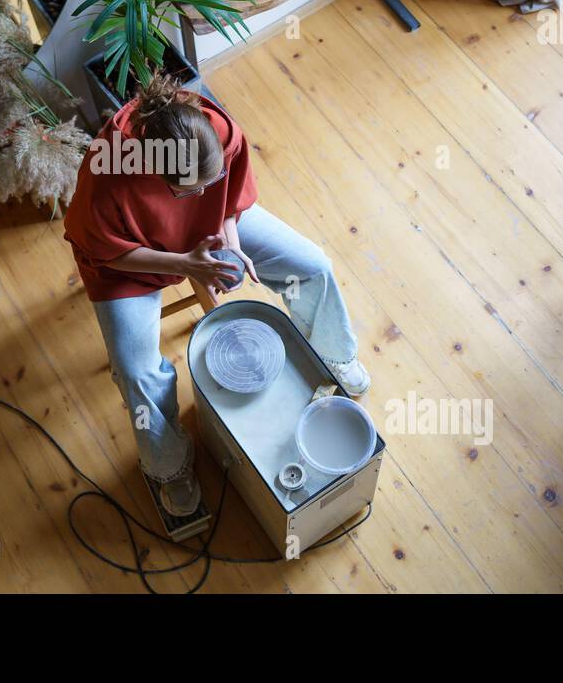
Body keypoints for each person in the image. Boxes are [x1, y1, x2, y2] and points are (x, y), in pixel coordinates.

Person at [63, 77, 371, 517]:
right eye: (188, 191)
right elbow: (104, 248)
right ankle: (167, 464)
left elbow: (227, 202)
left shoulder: (220, 133)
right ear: (155, 171)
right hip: (130, 259)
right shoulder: (108, 169)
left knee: (312, 265)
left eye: (211, 180)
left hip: (203, 236)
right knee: (135, 372)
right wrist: (186, 264)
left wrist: (231, 242)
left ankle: (333, 353)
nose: (202, 193)